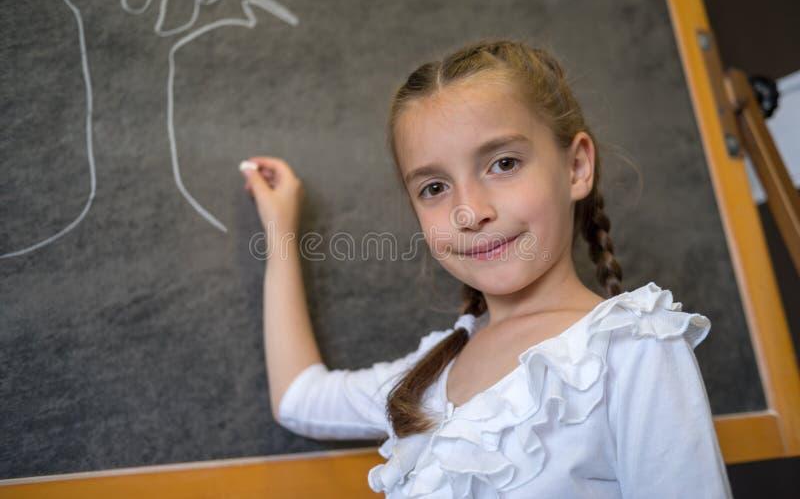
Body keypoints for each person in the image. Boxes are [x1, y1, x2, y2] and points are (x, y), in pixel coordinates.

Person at [239, 39, 733, 498]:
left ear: (577, 166)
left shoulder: (633, 347)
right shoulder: (431, 372)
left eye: (503, 163)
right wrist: (280, 229)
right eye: (434, 188)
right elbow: (300, 398)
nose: (470, 211)